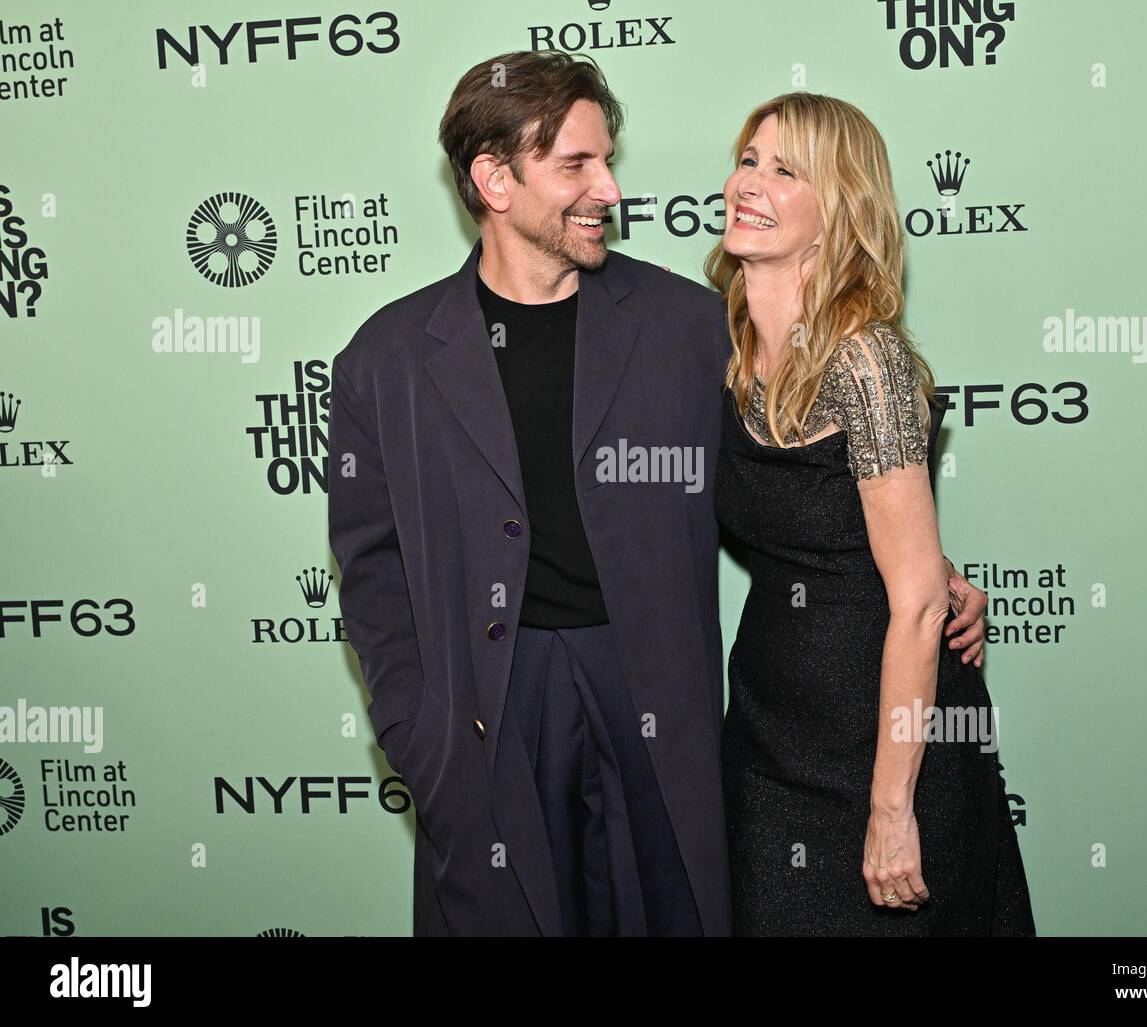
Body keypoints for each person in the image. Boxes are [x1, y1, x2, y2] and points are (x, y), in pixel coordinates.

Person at [328, 50, 991, 936]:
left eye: (608, 161)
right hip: (491, 707)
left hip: (655, 698)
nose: (609, 189)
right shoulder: (388, 357)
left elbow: (810, 477)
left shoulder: (691, 327)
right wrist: (420, 736)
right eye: (576, 166)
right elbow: (372, 571)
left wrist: (927, 576)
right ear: (494, 179)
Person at [710, 92, 1036, 935]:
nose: (751, 181)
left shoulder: (868, 361)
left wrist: (892, 807)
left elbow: (917, 601)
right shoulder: (717, 350)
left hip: (888, 737)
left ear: (839, 211)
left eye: (787, 170)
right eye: (749, 159)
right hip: (770, 732)